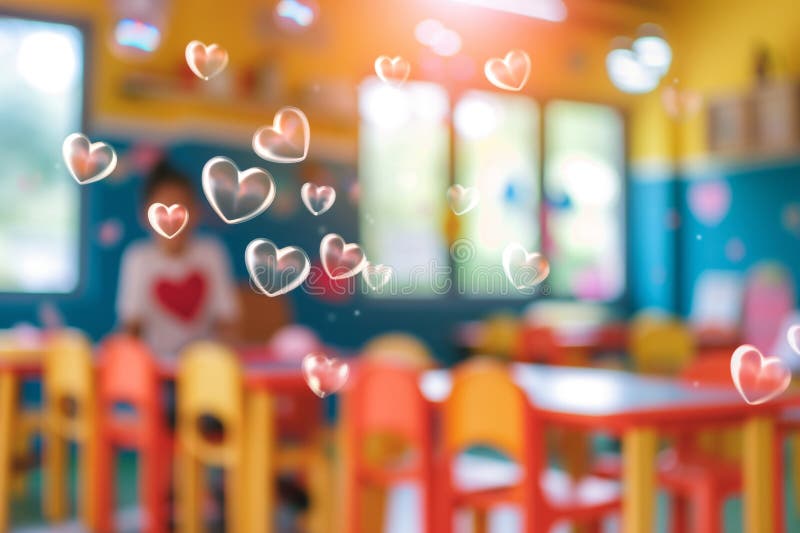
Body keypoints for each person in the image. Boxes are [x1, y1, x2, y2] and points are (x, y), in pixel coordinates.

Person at [116, 159, 239, 357]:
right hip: (156, 366)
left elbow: (227, 323)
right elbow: (131, 327)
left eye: (180, 209)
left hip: (203, 365)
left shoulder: (212, 252)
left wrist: (224, 358)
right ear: (145, 215)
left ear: (196, 212)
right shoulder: (137, 258)